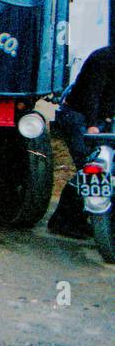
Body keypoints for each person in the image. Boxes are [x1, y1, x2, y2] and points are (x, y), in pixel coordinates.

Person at [50, 45, 115, 239]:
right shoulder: (102, 58)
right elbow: (92, 93)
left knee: (103, 169)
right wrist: (93, 124)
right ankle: (64, 220)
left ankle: (88, 220)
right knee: (89, 166)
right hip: (78, 115)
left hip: (100, 118)